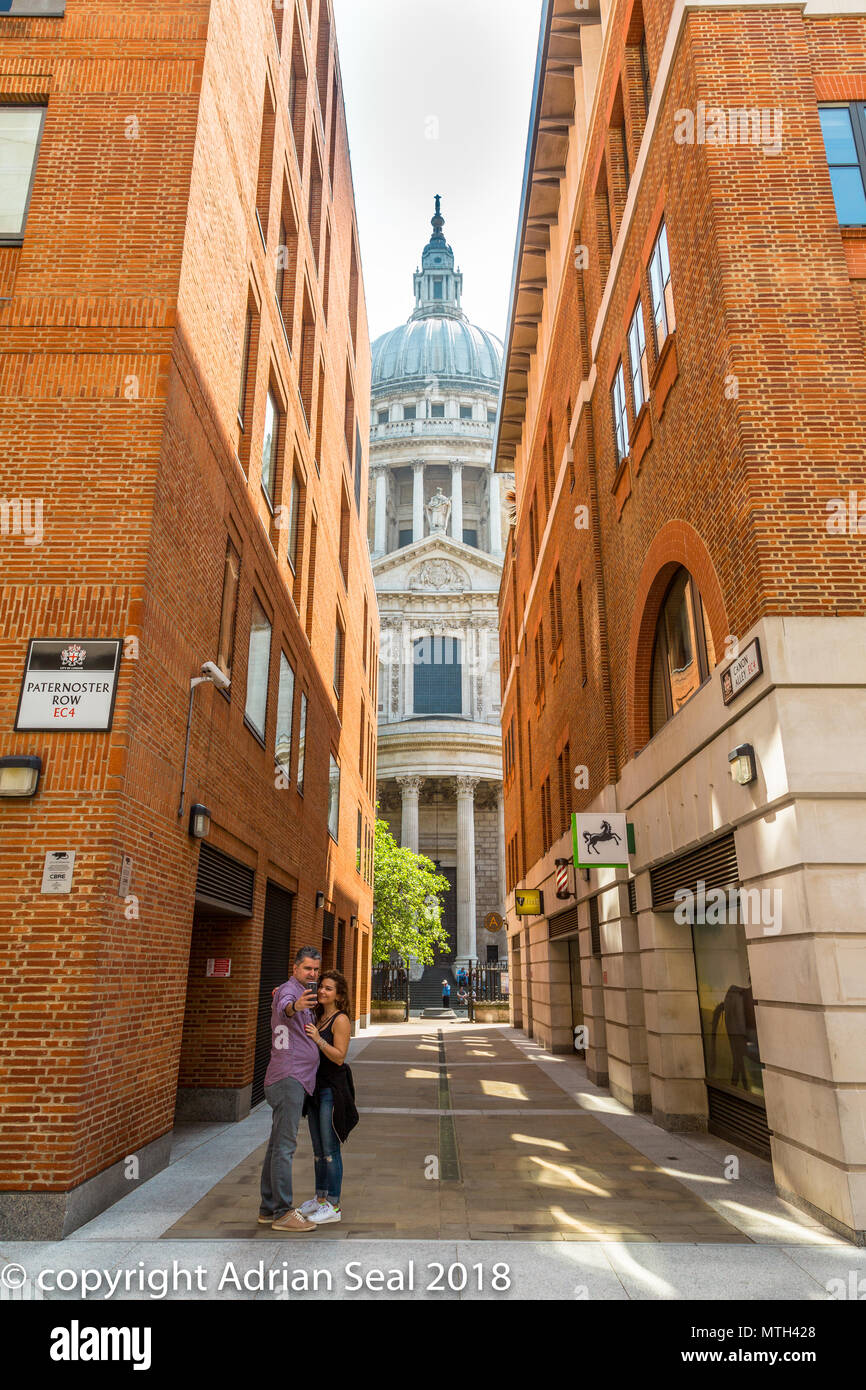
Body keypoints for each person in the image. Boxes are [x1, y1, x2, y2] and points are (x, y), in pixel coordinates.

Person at [258, 946, 321, 1232]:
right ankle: (283, 1212)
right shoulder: (289, 992)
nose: (312, 974)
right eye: (307, 968)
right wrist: (294, 1006)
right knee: (285, 1147)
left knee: (275, 1147)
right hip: (289, 1078)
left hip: (290, 1077)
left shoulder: (302, 993)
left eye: (316, 970)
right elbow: (285, 1006)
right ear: (295, 968)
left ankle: (268, 1208)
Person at [297, 970, 358, 1225]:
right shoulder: (319, 1016)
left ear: (339, 994)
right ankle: (320, 1199)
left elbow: (339, 1056)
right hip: (314, 1088)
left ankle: (334, 1204)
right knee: (318, 1150)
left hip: (331, 1090)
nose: (322, 991)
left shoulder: (340, 1020)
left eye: (328, 988)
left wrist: (318, 1040)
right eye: (321, 986)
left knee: (331, 1150)